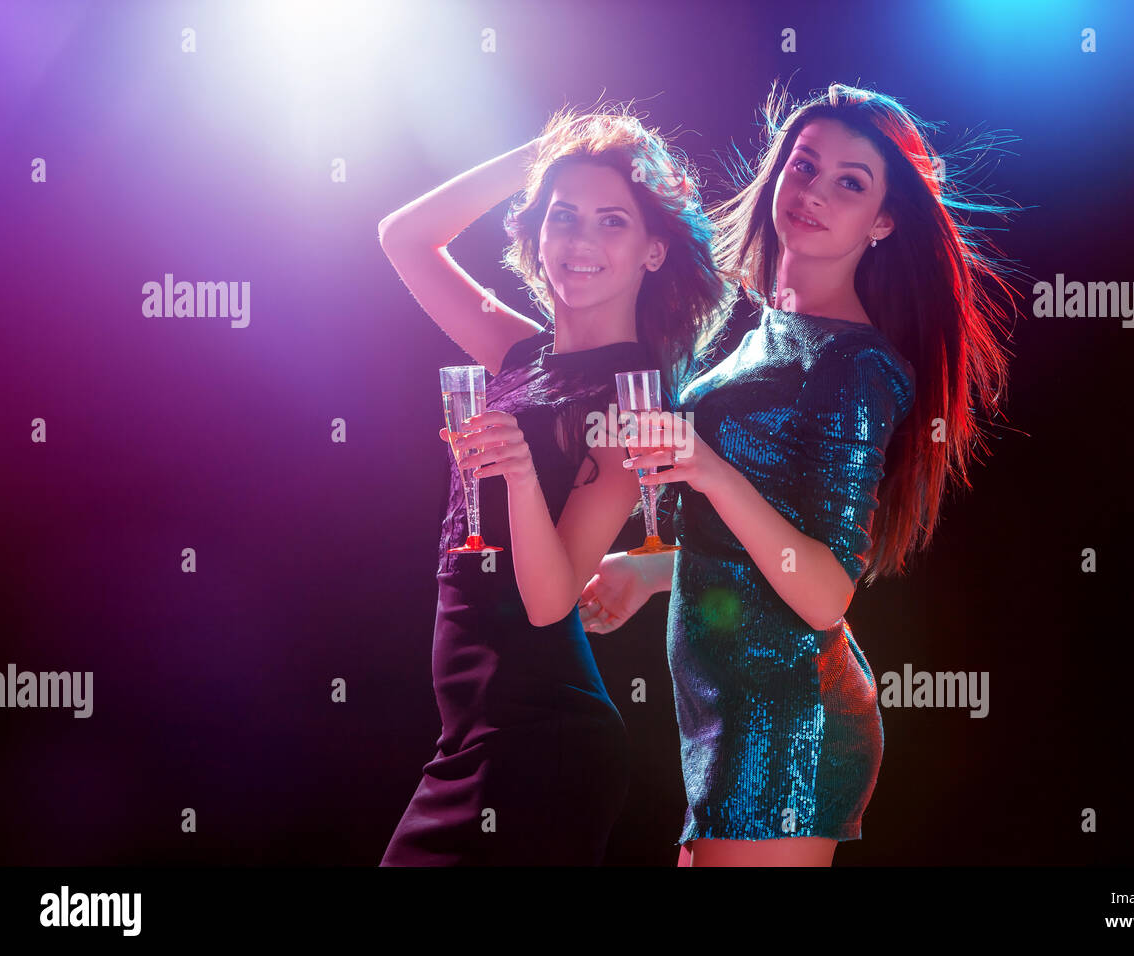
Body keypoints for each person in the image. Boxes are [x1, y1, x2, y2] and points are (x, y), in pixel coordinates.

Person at [578, 82, 1018, 866]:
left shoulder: (857, 365)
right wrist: (650, 573)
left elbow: (822, 592)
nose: (813, 191)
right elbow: (762, 552)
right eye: (804, 165)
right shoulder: (758, 333)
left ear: (883, 222)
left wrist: (710, 471)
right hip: (726, 715)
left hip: (790, 725)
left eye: (850, 182)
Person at [375, 105, 729, 865]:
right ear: (536, 233)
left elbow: (548, 599)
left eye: (611, 222)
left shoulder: (632, 402)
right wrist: (544, 153)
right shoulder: (518, 353)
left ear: (654, 250)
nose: (579, 241)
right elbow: (403, 237)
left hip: (540, 744)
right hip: (467, 736)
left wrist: (522, 474)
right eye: (562, 216)